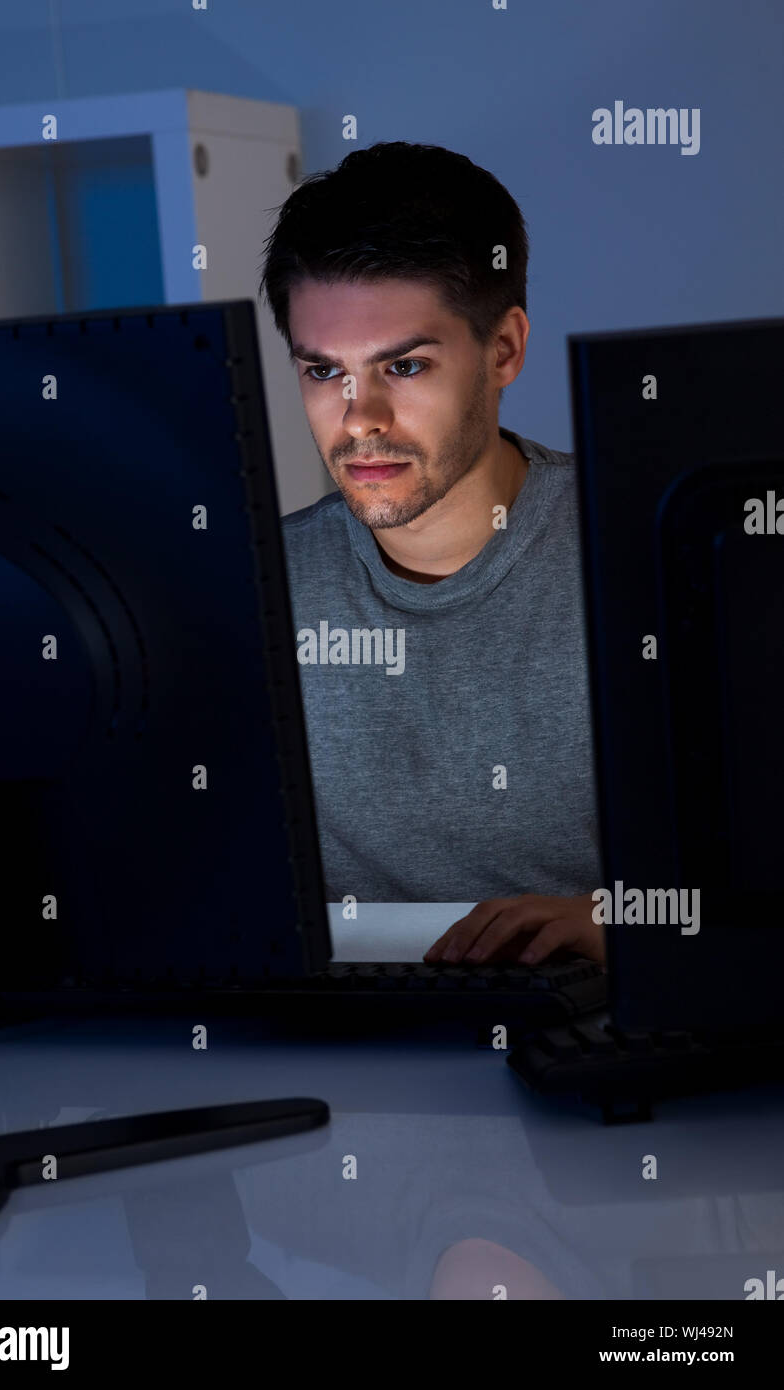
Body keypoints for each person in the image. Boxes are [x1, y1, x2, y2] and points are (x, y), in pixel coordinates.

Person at [259, 141, 604, 966]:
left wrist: (635, 925)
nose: (359, 418)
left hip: (591, 1043)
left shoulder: (637, 552)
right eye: (321, 371)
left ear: (504, 351)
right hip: (340, 1057)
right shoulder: (257, 587)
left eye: (403, 366)